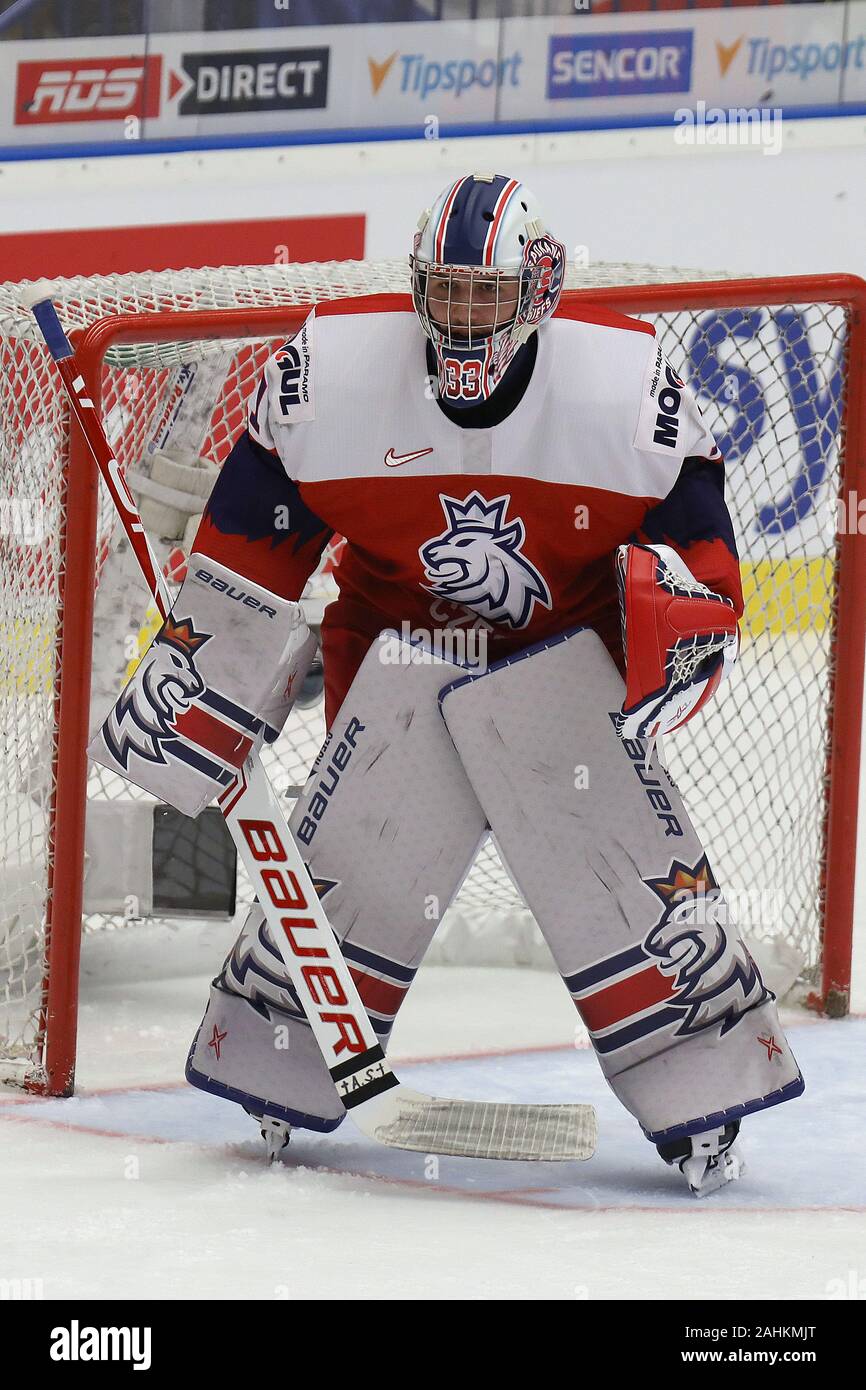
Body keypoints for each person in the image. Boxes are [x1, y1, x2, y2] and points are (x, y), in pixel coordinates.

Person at [92, 174, 803, 1194]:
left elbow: (699, 560)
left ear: (539, 290)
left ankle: (698, 1077)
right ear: (417, 288)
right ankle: (283, 1051)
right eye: (447, 293)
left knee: (606, 854)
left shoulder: (621, 387)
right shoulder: (329, 374)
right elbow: (257, 544)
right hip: (392, 642)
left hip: (565, 654)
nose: (464, 319)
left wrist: (683, 624)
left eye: (487, 295)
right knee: (367, 833)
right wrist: (212, 670)